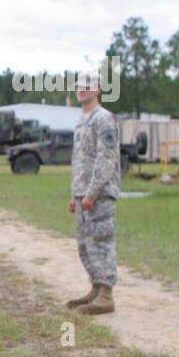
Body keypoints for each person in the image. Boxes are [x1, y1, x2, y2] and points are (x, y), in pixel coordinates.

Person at [66, 77, 120, 314]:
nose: (82, 90)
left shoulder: (103, 118)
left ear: (98, 90)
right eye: (79, 86)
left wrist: (92, 192)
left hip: (99, 195)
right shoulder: (82, 122)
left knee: (100, 242)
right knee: (85, 245)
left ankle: (106, 294)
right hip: (83, 194)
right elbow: (80, 160)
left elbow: (105, 160)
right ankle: (96, 288)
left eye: (87, 86)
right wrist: (76, 195)